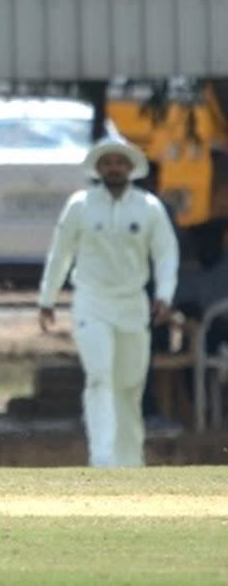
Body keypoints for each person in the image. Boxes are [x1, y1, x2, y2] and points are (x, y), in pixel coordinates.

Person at [37, 136, 179, 467]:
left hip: (132, 305)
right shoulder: (81, 205)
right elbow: (61, 252)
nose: (114, 168)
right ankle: (101, 458)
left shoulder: (148, 207)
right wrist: (47, 298)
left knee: (128, 386)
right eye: (107, 163)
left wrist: (164, 295)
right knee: (99, 375)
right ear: (98, 168)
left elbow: (166, 254)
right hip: (92, 301)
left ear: (130, 167)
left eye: (119, 162)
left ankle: (129, 462)